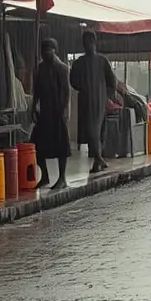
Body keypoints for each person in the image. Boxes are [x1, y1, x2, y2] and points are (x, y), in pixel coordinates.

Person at [70, 30, 118, 173]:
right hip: (85, 100)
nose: (88, 45)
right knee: (91, 131)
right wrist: (83, 88)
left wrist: (106, 96)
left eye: (90, 42)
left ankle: (98, 159)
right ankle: (98, 159)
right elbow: (72, 80)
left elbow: (112, 81)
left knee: (94, 130)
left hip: (98, 100)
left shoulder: (102, 61)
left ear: (94, 43)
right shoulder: (79, 63)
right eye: (85, 42)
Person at [31, 37, 72, 190]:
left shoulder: (62, 68)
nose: (45, 53)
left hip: (58, 112)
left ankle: (62, 178)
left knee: (61, 147)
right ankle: (46, 176)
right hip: (45, 113)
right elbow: (37, 91)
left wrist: (63, 111)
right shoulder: (40, 68)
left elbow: (67, 92)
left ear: (54, 51)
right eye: (43, 51)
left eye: (48, 50)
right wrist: (33, 107)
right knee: (36, 145)